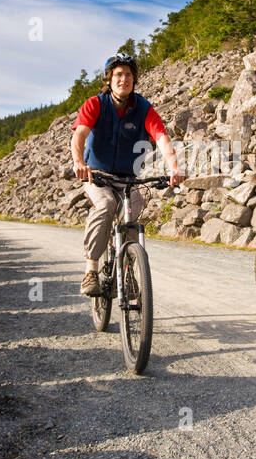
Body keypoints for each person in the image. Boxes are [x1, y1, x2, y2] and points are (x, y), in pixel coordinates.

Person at [71, 52, 185, 296]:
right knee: (106, 205)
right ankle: (91, 271)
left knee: (134, 207)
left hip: (127, 179)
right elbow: (79, 135)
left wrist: (174, 167)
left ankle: (128, 269)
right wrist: (79, 162)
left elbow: (161, 138)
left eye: (129, 75)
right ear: (109, 79)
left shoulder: (143, 109)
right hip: (97, 175)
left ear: (135, 80)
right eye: (119, 74)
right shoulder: (95, 104)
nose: (124, 79)